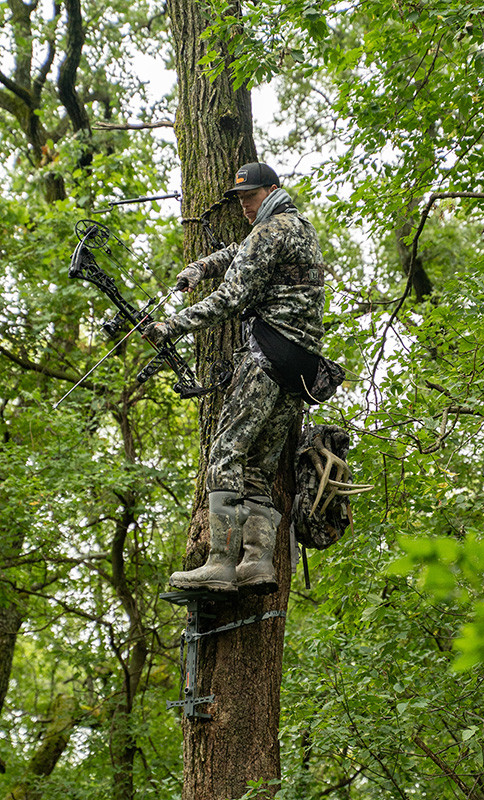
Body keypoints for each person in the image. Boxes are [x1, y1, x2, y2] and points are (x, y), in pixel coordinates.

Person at [144, 162, 330, 594]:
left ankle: (221, 562)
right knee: (258, 467)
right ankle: (257, 564)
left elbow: (233, 296)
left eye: (250, 197)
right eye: (240, 198)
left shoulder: (268, 232)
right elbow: (240, 252)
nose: (245, 206)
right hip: (301, 368)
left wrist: (172, 325)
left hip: (267, 355)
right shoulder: (298, 228)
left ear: (272, 190)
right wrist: (200, 267)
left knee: (225, 452)